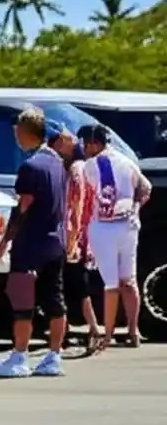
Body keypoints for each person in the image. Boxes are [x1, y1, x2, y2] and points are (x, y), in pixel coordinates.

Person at [0, 110, 68, 378]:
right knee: (55, 299)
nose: (15, 137)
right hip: (56, 241)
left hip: (31, 243)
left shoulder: (30, 167)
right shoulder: (58, 163)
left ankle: (20, 356)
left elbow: (23, 207)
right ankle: (54, 356)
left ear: (25, 132)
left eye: (17, 132)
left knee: (22, 299)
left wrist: (4, 241)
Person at [77, 123, 152, 349]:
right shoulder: (127, 161)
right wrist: (134, 208)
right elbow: (145, 189)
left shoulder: (90, 165)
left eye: (86, 143)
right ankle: (133, 330)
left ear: (95, 144)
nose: (83, 148)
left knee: (110, 283)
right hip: (129, 225)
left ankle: (107, 334)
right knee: (129, 279)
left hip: (103, 226)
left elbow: (84, 195)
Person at [51, 128, 101, 353]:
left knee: (73, 285)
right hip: (87, 233)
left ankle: (89, 328)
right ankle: (83, 327)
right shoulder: (89, 168)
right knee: (77, 285)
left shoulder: (75, 170)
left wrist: (71, 239)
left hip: (75, 235)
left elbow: (75, 205)